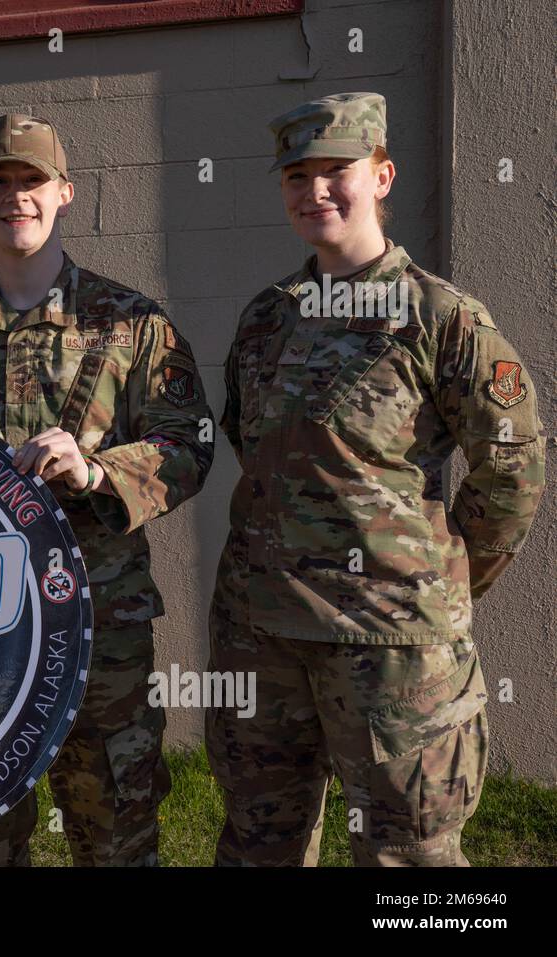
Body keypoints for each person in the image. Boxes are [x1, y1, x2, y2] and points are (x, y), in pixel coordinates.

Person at [207, 92, 546, 866]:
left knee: (410, 853)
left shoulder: (438, 316)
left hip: (389, 645)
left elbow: (513, 463)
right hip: (262, 631)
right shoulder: (268, 317)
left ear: (383, 175)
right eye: (298, 174)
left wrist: (443, 576)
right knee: (260, 842)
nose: (315, 190)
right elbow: (250, 441)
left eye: (338, 171)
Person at [0, 114, 215, 866]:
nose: (17, 197)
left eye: (33, 181)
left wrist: (98, 470)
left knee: (115, 831)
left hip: (98, 627)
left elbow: (192, 444)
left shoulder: (132, 324)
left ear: (66, 193)